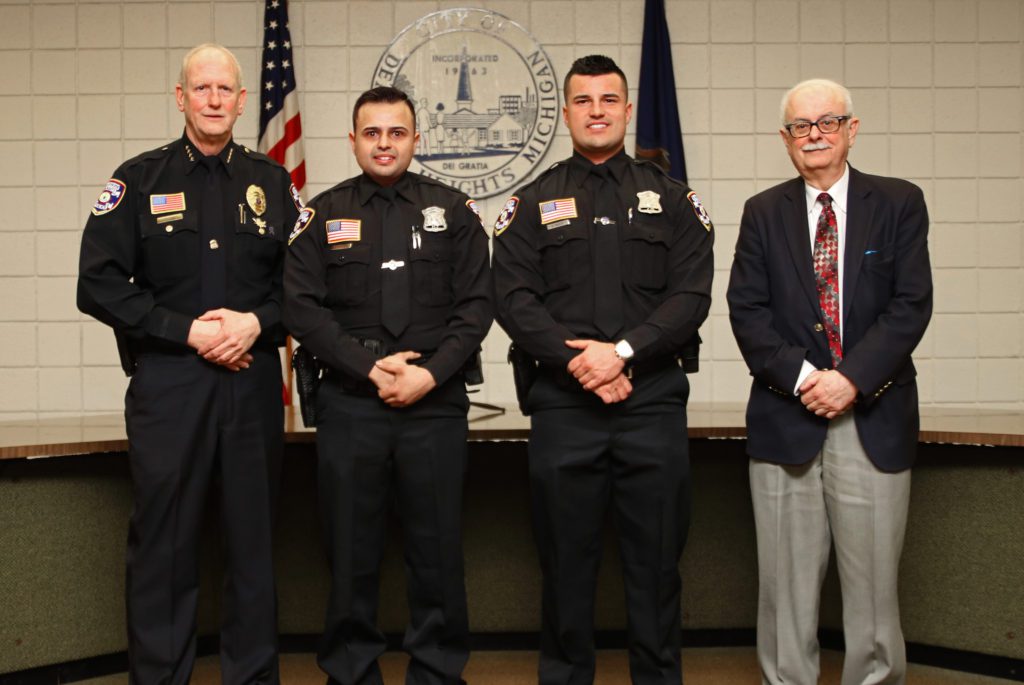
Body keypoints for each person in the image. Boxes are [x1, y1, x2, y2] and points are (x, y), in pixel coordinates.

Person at [77, 43, 300, 684]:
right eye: (201, 88)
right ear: (181, 97)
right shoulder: (138, 179)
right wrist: (187, 332)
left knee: (252, 541)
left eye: (224, 89)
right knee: (164, 542)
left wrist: (257, 322)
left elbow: (304, 287)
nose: (213, 99)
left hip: (251, 382)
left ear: (241, 100)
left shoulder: (272, 182)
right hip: (170, 384)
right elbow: (97, 283)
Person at [491, 55, 714, 684]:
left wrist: (620, 354)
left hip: (652, 404)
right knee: (565, 566)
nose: (597, 111)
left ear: (627, 110)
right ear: (565, 113)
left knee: (657, 566)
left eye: (609, 99)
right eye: (584, 101)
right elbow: (513, 299)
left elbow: (690, 297)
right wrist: (581, 362)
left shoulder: (673, 200)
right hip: (564, 408)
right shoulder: (531, 201)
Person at [282, 86, 493, 685]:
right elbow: (301, 308)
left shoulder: (454, 211)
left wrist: (429, 373)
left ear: (416, 139)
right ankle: (351, 673)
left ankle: (437, 672)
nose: (384, 144)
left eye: (396, 133)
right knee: (350, 551)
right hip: (352, 403)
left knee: (437, 552)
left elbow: (477, 306)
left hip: (435, 403)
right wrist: (369, 368)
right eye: (371, 133)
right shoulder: (320, 215)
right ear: (352, 141)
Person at [726, 79, 933, 685]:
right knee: (784, 589)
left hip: (872, 416)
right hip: (786, 418)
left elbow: (911, 306)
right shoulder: (763, 212)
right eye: (801, 126)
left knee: (873, 591)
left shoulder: (898, 202)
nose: (814, 135)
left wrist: (850, 380)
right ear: (785, 138)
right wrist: (805, 379)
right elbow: (747, 312)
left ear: (851, 129)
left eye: (827, 122)